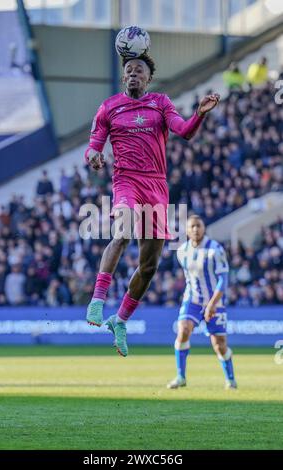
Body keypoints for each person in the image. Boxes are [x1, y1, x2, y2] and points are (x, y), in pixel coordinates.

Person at [84, 54, 220, 357]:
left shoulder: (160, 103)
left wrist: (199, 113)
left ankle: (119, 321)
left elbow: (184, 131)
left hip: (156, 186)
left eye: (139, 71)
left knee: (149, 266)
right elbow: (93, 148)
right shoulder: (108, 108)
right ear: (123, 77)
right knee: (123, 231)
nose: (133, 74)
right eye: (129, 70)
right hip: (126, 181)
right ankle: (97, 300)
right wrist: (93, 157)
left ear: (148, 78)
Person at [167, 215, 237, 389]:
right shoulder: (182, 251)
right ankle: (180, 376)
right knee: (183, 330)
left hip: (216, 301)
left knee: (219, 345)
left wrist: (212, 303)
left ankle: (230, 379)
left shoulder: (215, 250)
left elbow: (223, 281)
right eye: (192, 226)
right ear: (187, 230)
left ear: (204, 228)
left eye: (199, 226)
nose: (196, 229)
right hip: (193, 299)